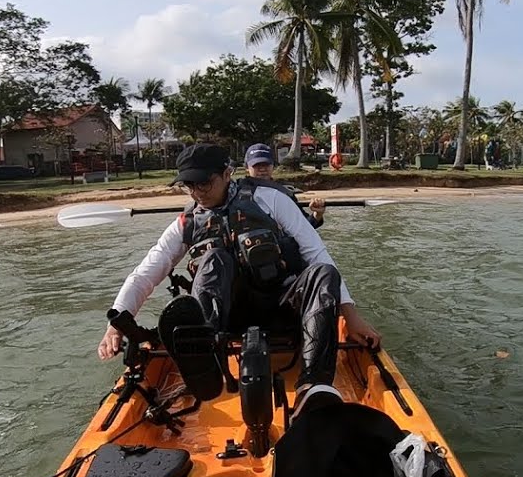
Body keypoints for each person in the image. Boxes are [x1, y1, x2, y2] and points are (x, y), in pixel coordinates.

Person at [97, 143, 380, 406]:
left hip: (282, 307)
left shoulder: (270, 199)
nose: (197, 192)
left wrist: (351, 317)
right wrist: (116, 324)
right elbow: (145, 273)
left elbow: (316, 252)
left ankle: (313, 386)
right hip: (227, 320)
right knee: (213, 259)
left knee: (323, 272)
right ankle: (206, 360)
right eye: (189, 185)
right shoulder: (187, 223)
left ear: (227, 174)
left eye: (204, 182)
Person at [244, 143, 326, 228]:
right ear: (247, 167)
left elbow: (303, 227)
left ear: (273, 165)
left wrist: (317, 214)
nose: (262, 169)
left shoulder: (284, 193)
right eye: (256, 165)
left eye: (266, 164)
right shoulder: (237, 193)